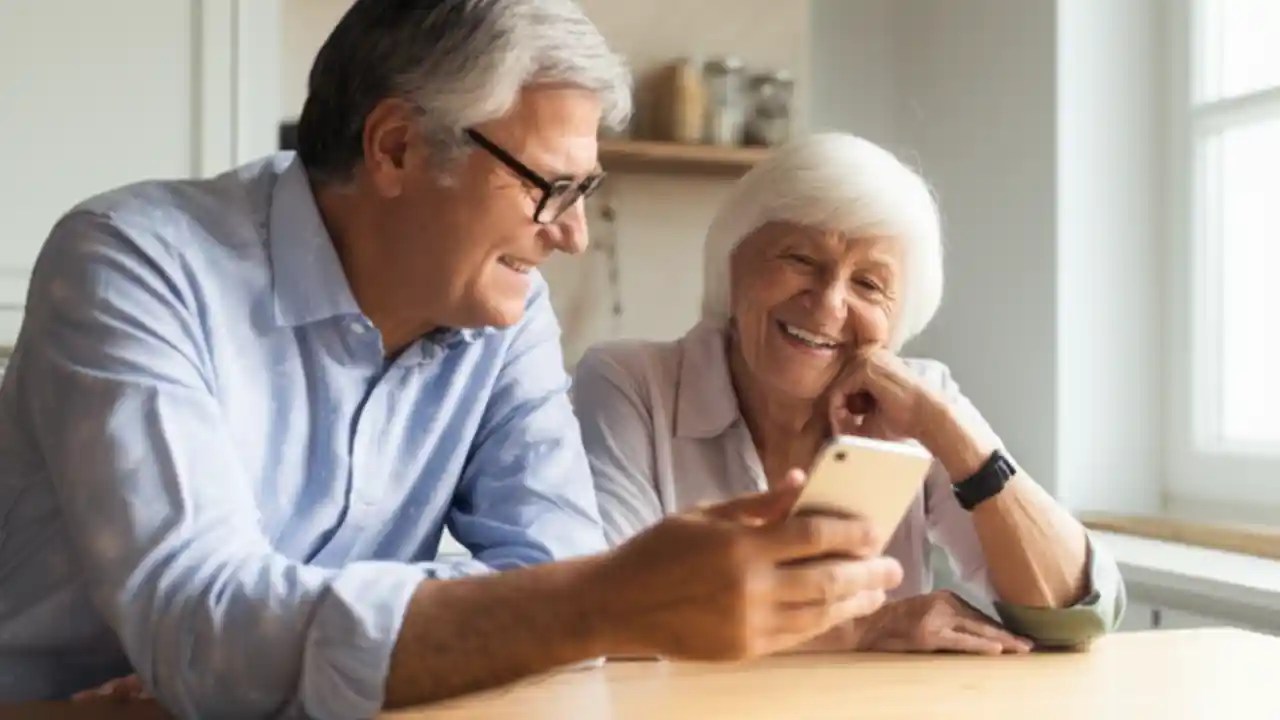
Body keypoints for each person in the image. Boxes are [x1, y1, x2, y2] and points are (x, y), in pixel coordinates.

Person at [0, 3, 903, 717]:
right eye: (551, 186)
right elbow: (205, 630)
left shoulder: (506, 312)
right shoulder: (134, 261)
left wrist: (260, 653)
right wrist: (602, 599)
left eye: (586, 191)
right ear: (395, 147)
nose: (574, 233)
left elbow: (552, 562)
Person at [573, 133, 1126, 655]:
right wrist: (864, 629)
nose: (830, 303)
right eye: (800, 259)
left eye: (868, 283)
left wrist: (951, 433)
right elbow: (596, 620)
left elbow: (1075, 612)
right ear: (732, 265)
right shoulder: (630, 383)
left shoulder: (919, 403)